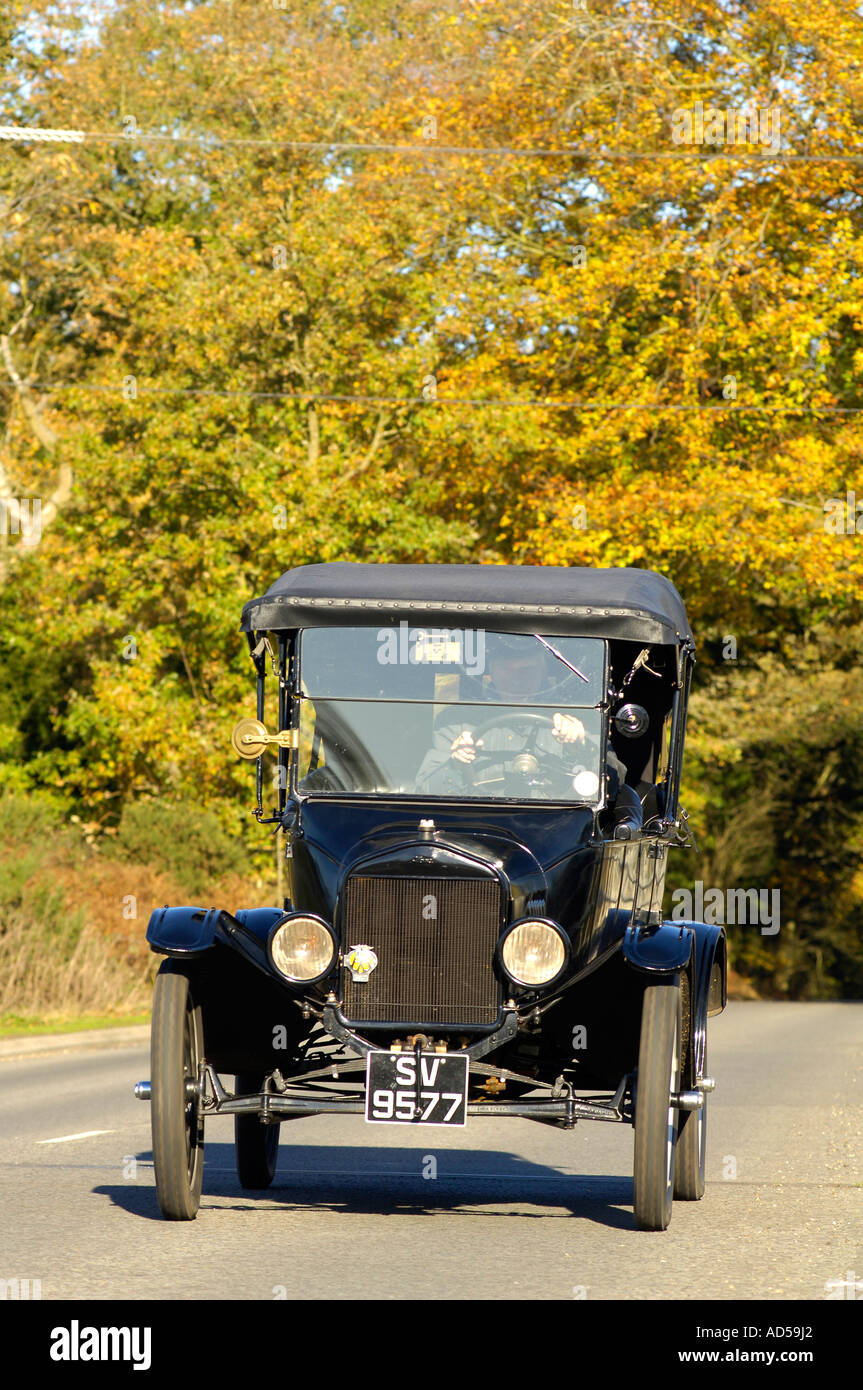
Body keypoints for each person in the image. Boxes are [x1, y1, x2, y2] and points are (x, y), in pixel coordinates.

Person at [414, 634, 628, 800]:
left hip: (555, 830)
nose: (516, 680)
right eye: (506, 670)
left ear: (543, 669)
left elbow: (614, 785)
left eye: (527, 670)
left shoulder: (577, 717)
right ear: (491, 670)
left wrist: (581, 747)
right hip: (477, 826)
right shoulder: (458, 721)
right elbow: (424, 790)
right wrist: (456, 763)